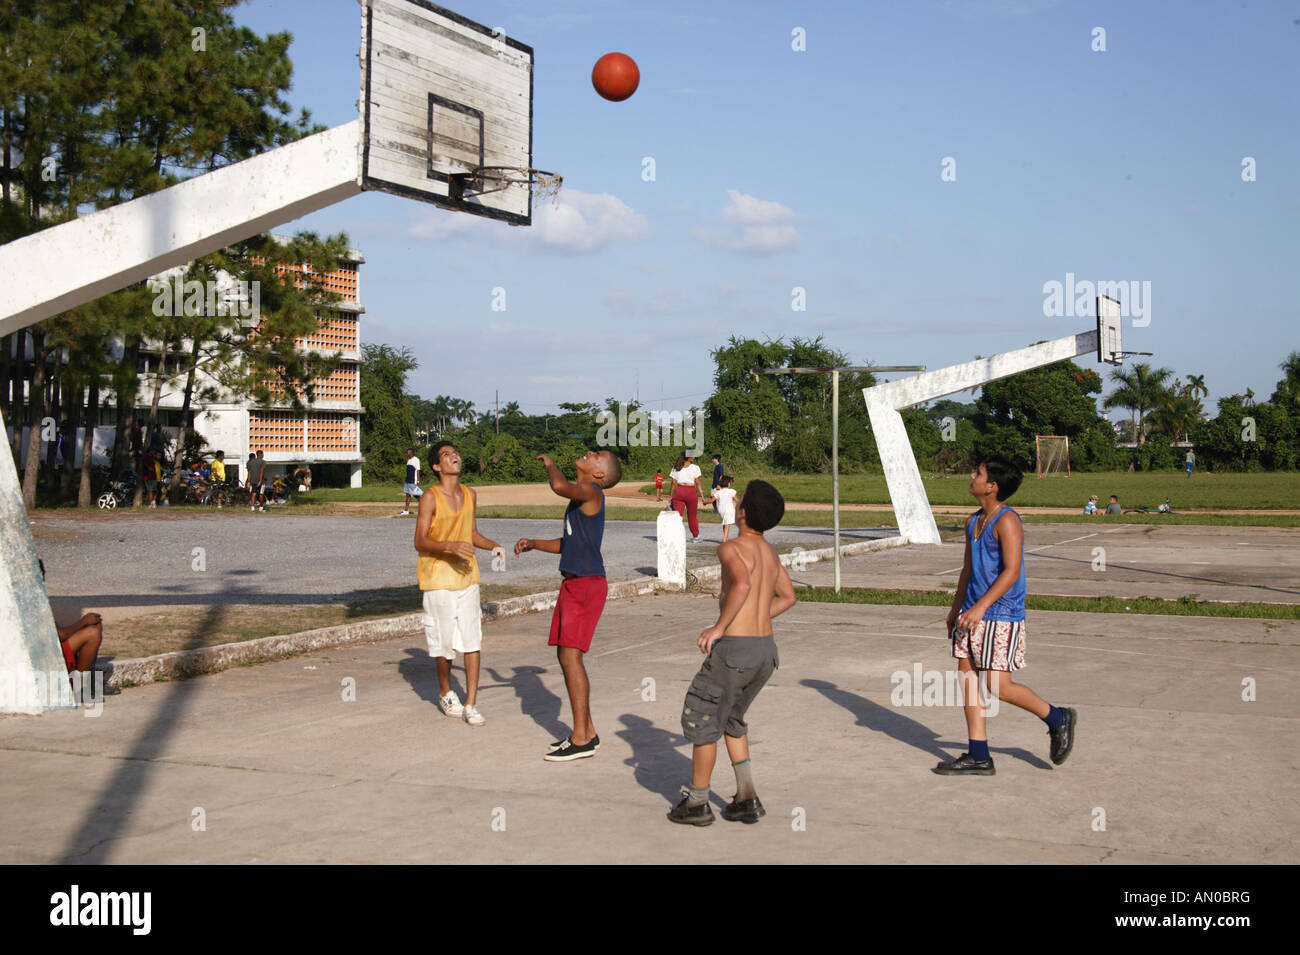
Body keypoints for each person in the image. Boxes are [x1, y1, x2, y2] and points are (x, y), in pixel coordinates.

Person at [934, 458, 1076, 776]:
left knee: (998, 685)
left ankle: (1057, 718)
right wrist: (956, 609)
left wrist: (980, 607)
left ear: (992, 485)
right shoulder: (974, 521)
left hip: (1001, 613)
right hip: (971, 612)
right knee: (968, 679)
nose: (972, 476)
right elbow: (967, 570)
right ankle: (979, 754)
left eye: (979, 473)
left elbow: (1011, 572)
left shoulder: (1007, 520)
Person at [669, 480, 796, 826]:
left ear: (741, 512)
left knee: (704, 719)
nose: (736, 501)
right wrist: (750, 618)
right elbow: (787, 597)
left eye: (740, 500)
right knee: (734, 720)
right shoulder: (769, 551)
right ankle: (746, 798)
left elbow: (742, 583)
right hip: (764, 652)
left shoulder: (731, 548)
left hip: (735, 652)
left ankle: (696, 803)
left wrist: (721, 626)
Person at [513, 450, 622, 761]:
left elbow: (559, 486)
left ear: (599, 475)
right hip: (575, 584)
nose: (590, 452)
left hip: (586, 585)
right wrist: (535, 543)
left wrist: (550, 464)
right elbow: (566, 544)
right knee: (566, 655)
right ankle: (587, 731)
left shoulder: (591, 492)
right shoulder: (579, 502)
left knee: (571, 658)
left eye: (597, 455)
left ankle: (580, 739)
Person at [415, 441, 504, 727]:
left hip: (467, 577)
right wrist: (450, 546)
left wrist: (494, 546)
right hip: (437, 578)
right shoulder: (430, 497)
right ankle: (445, 692)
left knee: (472, 638)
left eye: (455, 452)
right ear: (437, 467)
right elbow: (419, 541)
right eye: (446, 455)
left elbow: (472, 532)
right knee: (444, 642)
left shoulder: (470, 494)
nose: (454, 456)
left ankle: (471, 703)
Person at [666, 452, 706, 543]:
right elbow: (698, 482)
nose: (694, 457)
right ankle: (696, 537)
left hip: (679, 491)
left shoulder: (676, 467)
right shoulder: (695, 467)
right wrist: (702, 496)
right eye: (693, 455)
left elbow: (673, 483)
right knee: (692, 516)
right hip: (691, 492)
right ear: (688, 457)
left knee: (677, 516)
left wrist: (671, 495)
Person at [706, 474, 739, 542]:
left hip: (721, 510)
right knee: (727, 524)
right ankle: (725, 539)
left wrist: (705, 502)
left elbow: (711, 501)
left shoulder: (718, 492)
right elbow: (737, 501)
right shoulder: (731, 491)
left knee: (725, 523)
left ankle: (726, 538)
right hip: (729, 509)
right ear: (728, 484)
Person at [401, 448, 422, 516]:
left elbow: (418, 470)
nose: (406, 454)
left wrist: (418, 480)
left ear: (410, 453)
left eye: (407, 453)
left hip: (413, 480)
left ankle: (425, 507)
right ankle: (406, 510)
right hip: (408, 480)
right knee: (408, 495)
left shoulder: (416, 460)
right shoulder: (409, 460)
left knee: (416, 495)